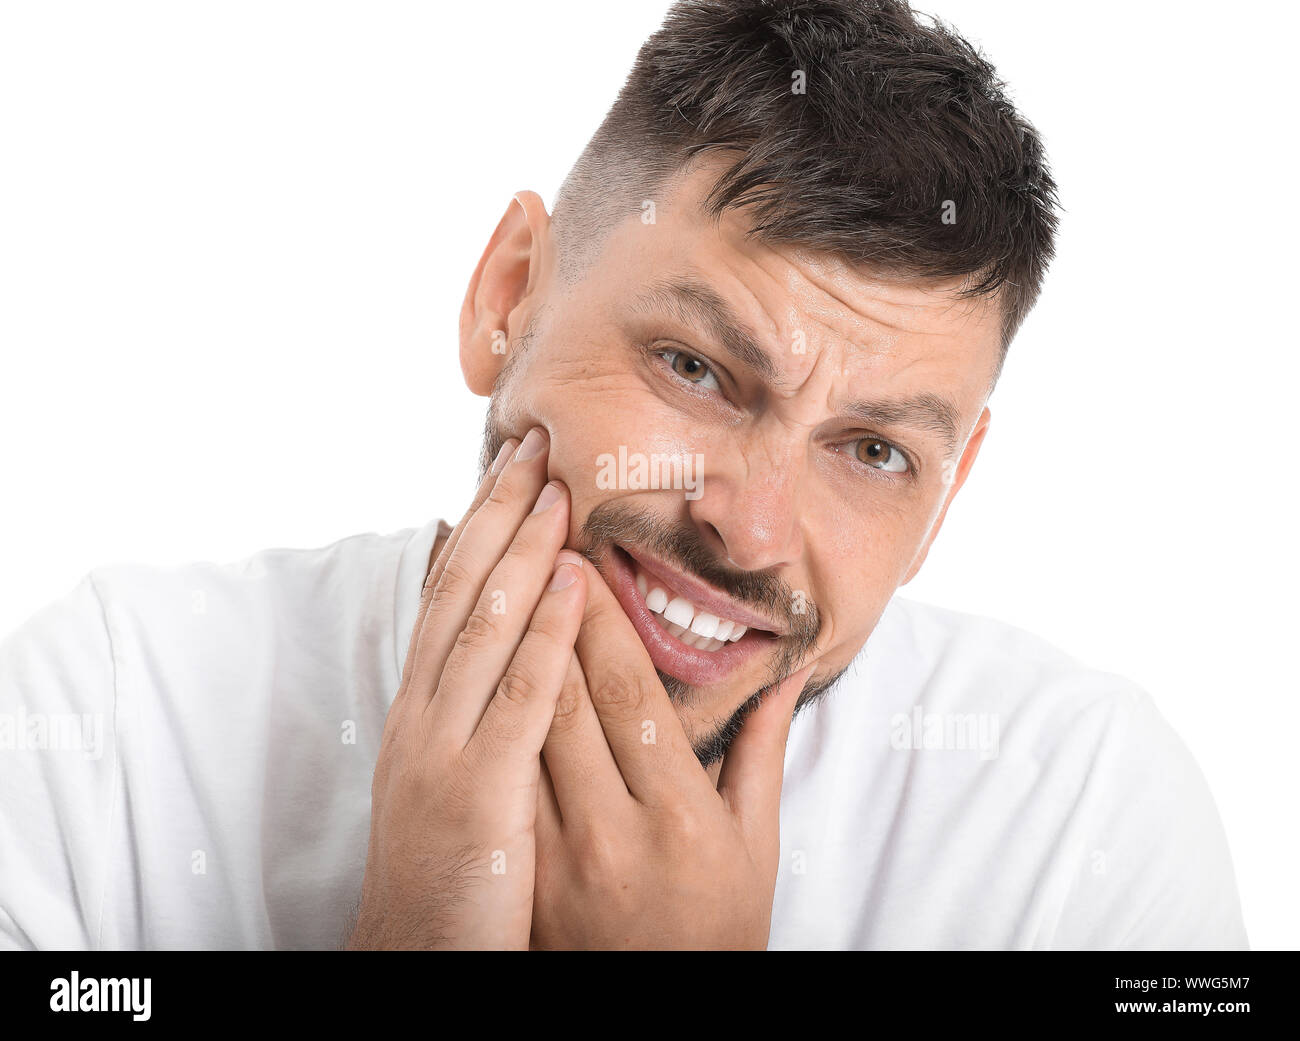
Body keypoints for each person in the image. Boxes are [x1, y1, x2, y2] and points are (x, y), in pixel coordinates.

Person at [0, 0, 1246, 950]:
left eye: (872, 452)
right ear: (508, 299)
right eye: (696, 368)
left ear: (946, 499)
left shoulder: (1083, 813)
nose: (752, 532)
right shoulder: (99, 729)